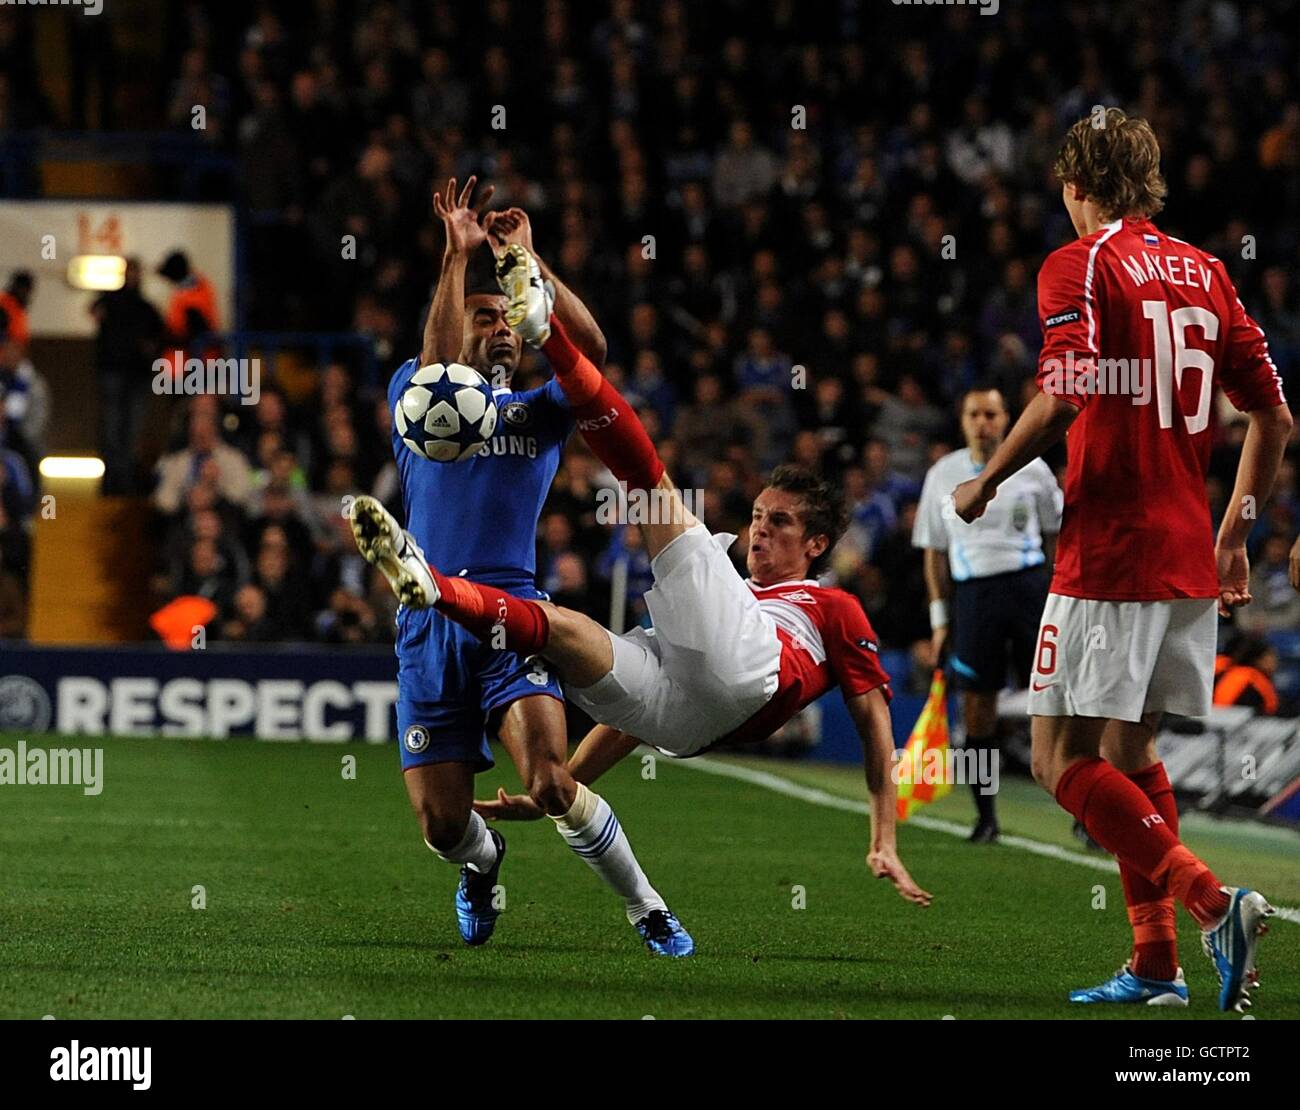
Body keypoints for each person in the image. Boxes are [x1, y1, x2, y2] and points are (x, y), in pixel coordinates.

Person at [351, 244, 930, 908]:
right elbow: (632, 720)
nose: (760, 530)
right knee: (558, 656)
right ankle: (485, 845)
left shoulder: (828, 606)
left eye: (780, 523)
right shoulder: (425, 394)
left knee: (651, 491)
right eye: (759, 516)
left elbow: (874, 723)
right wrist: (559, 788)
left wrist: (884, 833)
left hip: (744, 669)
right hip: (685, 720)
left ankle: (435, 573)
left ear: (820, 544)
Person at [952, 109, 1289, 1011]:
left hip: (1110, 550)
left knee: (1055, 759)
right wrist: (1237, 530)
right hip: (1188, 554)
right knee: (1131, 756)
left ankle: (1216, 903)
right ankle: (1155, 968)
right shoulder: (1210, 273)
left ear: (1074, 186)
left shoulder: (1083, 261)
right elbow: (1276, 419)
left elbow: (1063, 390)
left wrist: (983, 480)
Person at [374, 179, 692, 957]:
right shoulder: (420, 399)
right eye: (485, 318)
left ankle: (647, 908)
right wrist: (458, 257)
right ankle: (483, 867)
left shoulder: (541, 412)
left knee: (552, 779)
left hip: (514, 615)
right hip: (428, 621)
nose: (501, 328)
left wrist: (528, 262)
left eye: (507, 317)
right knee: (444, 824)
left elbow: (595, 352)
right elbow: (436, 353)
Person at [913, 385, 1061, 841]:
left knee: (1059, 698)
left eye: (992, 415)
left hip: (1030, 586)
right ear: (963, 421)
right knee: (978, 706)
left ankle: (1083, 811)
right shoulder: (943, 473)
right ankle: (986, 816)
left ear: (1007, 418)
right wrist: (940, 620)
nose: (983, 423)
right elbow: (935, 552)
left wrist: (1061, 601)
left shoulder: (1034, 470)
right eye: (974, 414)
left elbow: (1056, 538)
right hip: (974, 595)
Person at [90, 257, 164, 494]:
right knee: (112, 429)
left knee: (132, 430)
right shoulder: (110, 300)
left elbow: (159, 334)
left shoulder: (145, 307)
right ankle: (112, 479)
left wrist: (149, 349)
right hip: (112, 371)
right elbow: (94, 311)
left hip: (137, 375)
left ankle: (125, 479)